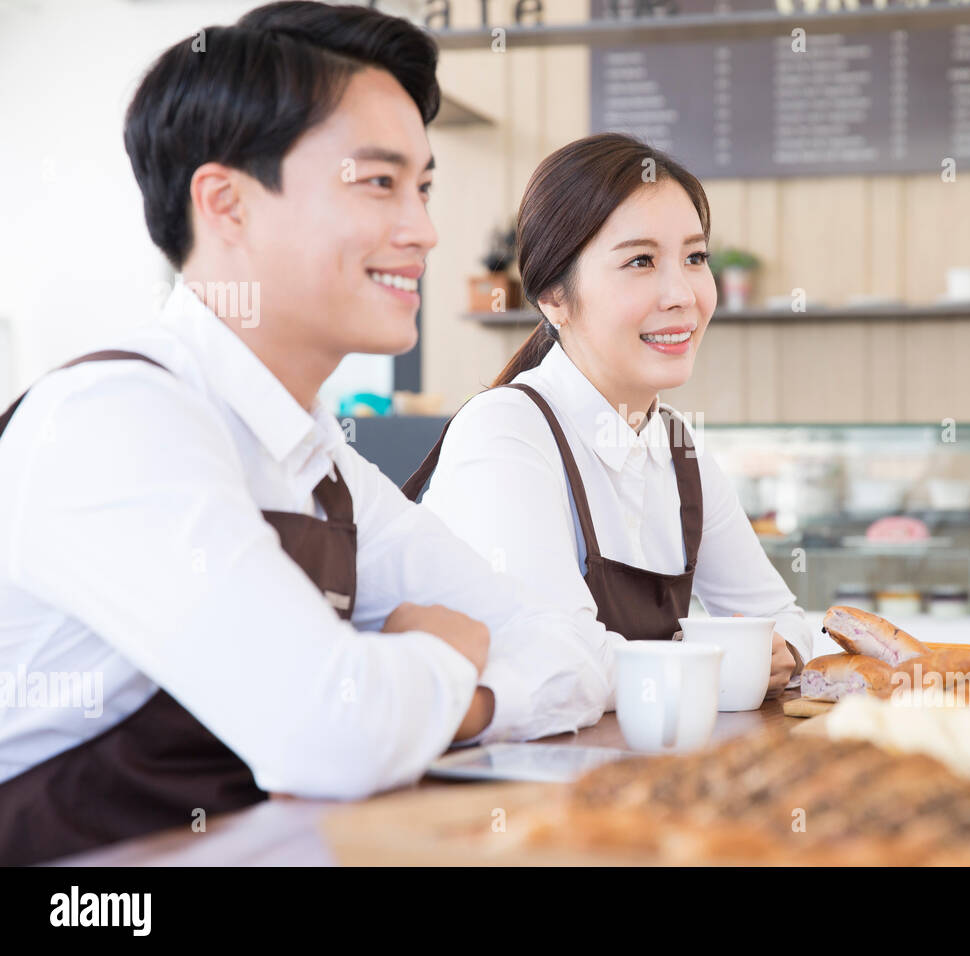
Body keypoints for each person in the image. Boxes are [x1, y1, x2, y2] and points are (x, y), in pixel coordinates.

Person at [0, 1, 606, 866]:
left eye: (424, 187)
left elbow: (567, 646)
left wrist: (451, 697)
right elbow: (329, 734)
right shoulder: (113, 418)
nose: (423, 231)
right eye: (378, 182)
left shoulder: (321, 465)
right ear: (227, 205)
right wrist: (440, 653)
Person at [404, 133, 815, 706]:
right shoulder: (505, 432)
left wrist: (784, 651)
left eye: (695, 258)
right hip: (514, 787)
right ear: (553, 296)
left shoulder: (674, 444)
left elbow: (783, 618)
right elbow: (559, 662)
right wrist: (726, 666)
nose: (683, 294)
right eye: (640, 261)